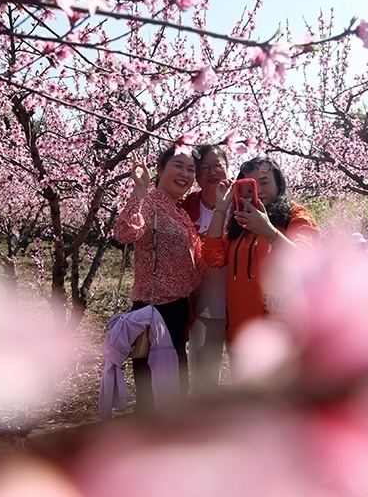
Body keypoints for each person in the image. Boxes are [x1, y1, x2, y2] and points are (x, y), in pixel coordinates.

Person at [201, 155, 320, 372]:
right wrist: (221, 207)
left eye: (264, 183)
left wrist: (268, 231)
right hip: (240, 333)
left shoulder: (296, 216)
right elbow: (212, 256)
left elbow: (304, 259)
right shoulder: (240, 222)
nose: (258, 191)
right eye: (250, 186)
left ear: (279, 184)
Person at [113, 144, 206, 413]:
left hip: (177, 310)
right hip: (153, 310)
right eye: (178, 166)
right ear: (160, 169)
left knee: (175, 389)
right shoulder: (151, 202)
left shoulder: (179, 210)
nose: (185, 174)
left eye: (191, 169)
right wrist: (140, 191)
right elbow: (125, 233)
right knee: (154, 394)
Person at [181, 145, 230, 395]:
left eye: (217, 165)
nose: (212, 173)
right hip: (202, 307)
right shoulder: (186, 206)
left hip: (242, 306)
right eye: (204, 168)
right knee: (204, 380)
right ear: (196, 176)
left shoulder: (244, 203)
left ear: (228, 168)